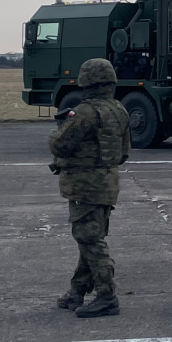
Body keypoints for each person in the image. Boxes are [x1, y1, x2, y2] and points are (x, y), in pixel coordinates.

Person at [49, 58, 131, 318]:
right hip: (107, 183)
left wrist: (60, 128)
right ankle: (78, 291)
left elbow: (59, 145)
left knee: (90, 240)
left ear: (86, 82)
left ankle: (107, 296)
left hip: (85, 186)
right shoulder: (119, 109)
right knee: (90, 237)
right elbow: (124, 152)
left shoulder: (85, 112)